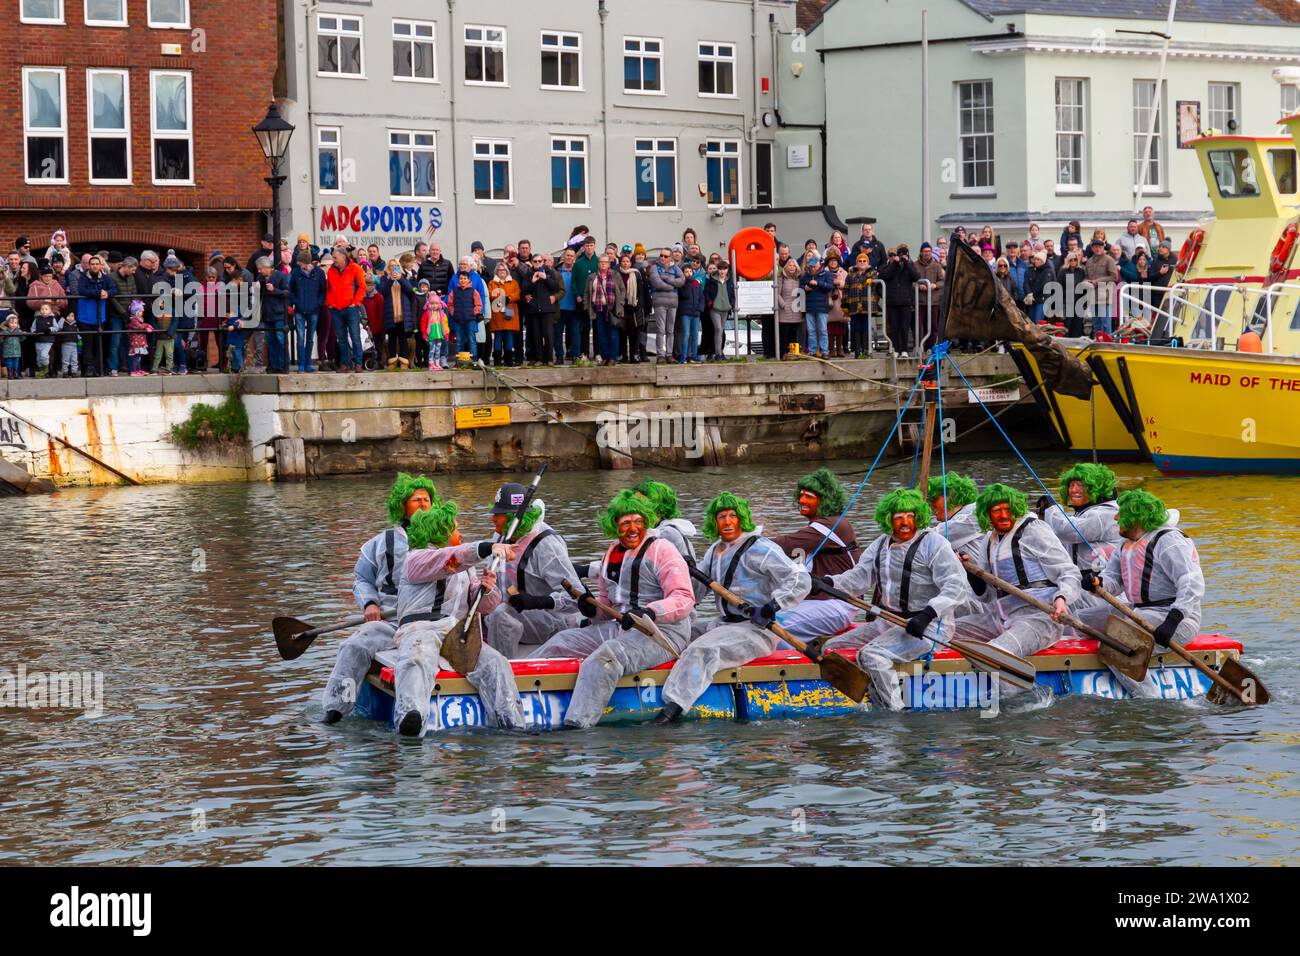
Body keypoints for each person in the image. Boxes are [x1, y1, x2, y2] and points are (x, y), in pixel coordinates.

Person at [530, 491, 695, 729]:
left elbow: (683, 598)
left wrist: (650, 611)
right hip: (621, 627)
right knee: (560, 641)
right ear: (614, 526)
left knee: (607, 657)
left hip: (663, 633)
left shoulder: (663, 550)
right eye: (625, 523)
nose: (632, 528)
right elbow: (608, 608)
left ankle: (577, 725)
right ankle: (520, 688)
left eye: (638, 522)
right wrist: (591, 609)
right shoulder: (611, 553)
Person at [653, 492, 811, 723]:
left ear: (742, 519)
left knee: (701, 650)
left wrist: (772, 605)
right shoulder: (714, 551)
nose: (727, 522)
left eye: (732, 516)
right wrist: (682, 570)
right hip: (723, 625)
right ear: (714, 522)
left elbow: (799, 579)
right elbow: (694, 593)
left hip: (757, 629)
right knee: (679, 633)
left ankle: (673, 708)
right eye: (721, 517)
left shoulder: (762, 548)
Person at [821, 488, 972, 711]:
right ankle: (862, 696)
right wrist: (828, 582)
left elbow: (956, 586)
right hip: (888, 621)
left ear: (918, 518)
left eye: (910, 516)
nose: (905, 522)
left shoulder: (935, 544)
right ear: (888, 519)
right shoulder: (881, 544)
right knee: (831, 648)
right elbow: (860, 577)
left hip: (928, 626)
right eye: (899, 517)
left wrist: (927, 614)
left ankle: (894, 711)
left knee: (871, 655)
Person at [390, 503, 526, 736]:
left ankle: (510, 720)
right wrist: (486, 547)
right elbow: (447, 560)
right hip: (421, 628)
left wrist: (486, 589)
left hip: (458, 632)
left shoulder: (466, 568)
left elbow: (483, 606)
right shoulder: (416, 559)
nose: (459, 533)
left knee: (496, 662)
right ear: (439, 532)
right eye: (454, 528)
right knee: (417, 658)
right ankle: (410, 716)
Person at [320, 474, 437, 723]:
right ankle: (335, 708)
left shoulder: (445, 540)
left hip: (427, 621)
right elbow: (362, 578)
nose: (424, 504)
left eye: (428, 499)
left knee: (414, 657)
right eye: (417, 499)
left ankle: (411, 716)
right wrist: (370, 603)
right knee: (353, 646)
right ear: (402, 505)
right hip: (389, 619)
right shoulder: (382, 542)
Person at [1084, 489, 1203, 698]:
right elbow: (1113, 580)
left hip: (1176, 617)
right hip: (1139, 613)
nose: (1115, 517)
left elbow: (1191, 582)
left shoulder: (1169, 540)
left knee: (1115, 645)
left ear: (1136, 516)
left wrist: (1173, 620)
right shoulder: (1125, 545)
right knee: (1081, 622)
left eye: (1121, 513)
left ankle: (1150, 698)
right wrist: (1097, 582)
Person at [957, 484, 1081, 664]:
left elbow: (1068, 572)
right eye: (996, 510)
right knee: (939, 630)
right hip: (1000, 618)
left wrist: (1062, 598)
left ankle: (1014, 691)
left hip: (1040, 619)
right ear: (987, 515)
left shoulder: (1034, 530)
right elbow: (987, 596)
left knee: (995, 653)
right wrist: (971, 572)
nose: (1003, 515)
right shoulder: (988, 541)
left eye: (1008, 509)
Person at [486, 482, 582, 658]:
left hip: (553, 621)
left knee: (501, 614)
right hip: (519, 614)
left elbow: (577, 597)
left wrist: (539, 601)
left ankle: (506, 670)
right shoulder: (500, 537)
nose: (493, 518)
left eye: (498, 514)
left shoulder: (547, 546)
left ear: (515, 517)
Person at [769, 467, 860, 644]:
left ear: (824, 501)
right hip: (817, 602)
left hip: (839, 603)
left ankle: (787, 667)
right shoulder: (819, 527)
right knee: (759, 619)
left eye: (809, 497)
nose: (801, 500)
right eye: (801, 495)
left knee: (773, 628)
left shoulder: (832, 525)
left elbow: (785, 544)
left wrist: (748, 540)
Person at [73, 254, 118, 376]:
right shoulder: (83, 277)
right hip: (85, 317)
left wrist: (107, 293)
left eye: (97, 264)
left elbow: (114, 289)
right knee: (87, 344)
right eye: (92, 264)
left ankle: (98, 369)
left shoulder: (105, 278)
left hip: (100, 317)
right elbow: (82, 290)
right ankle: (87, 369)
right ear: (89, 265)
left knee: (99, 345)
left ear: (100, 265)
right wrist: (98, 293)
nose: (94, 266)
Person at [325, 249, 365, 373]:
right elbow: (328, 288)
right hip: (336, 309)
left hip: (351, 308)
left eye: (335, 257)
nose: (333, 260)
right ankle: (345, 364)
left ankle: (358, 364)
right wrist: (330, 303)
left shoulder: (355, 268)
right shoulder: (331, 270)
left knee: (355, 336)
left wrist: (356, 302)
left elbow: (362, 287)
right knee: (341, 338)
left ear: (343, 257)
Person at [926, 473, 982, 560]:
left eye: (934, 499)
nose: (931, 505)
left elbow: (929, 538)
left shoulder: (972, 515)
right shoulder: (961, 516)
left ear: (951, 495)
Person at [585, 253, 625, 367]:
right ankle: (605, 357)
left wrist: (620, 303)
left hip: (611, 309)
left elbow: (622, 290)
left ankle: (612, 358)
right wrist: (586, 306)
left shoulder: (615, 275)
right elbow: (587, 293)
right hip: (598, 309)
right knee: (601, 335)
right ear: (598, 264)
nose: (603, 264)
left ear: (609, 264)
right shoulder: (592, 277)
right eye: (601, 262)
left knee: (612, 334)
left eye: (605, 262)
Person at [288, 252, 325, 373]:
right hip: (299, 310)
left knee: (310, 338)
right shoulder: (296, 273)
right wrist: (295, 301)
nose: (299, 265)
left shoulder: (319, 273)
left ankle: (308, 364)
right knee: (300, 338)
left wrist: (318, 303)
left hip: (314, 310)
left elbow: (323, 291)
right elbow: (291, 289)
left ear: (307, 262)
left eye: (301, 263)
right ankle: (301, 365)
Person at [880, 244, 919, 355]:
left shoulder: (909, 266)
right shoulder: (891, 266)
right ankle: (896, 349)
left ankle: (905, 350)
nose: (902, 257)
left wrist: (906, 264)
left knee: (904, 327)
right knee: (894, 327)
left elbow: (916, 276)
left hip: (906, 302)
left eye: (904, 255)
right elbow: (884, 276)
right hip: (892, 301)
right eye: (900, 255)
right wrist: (895, 264)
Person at [521, 252, 559, 366]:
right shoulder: (528, 273)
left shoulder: (549, 272)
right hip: (533, 309)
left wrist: (545, 278)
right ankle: (539, 358)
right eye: (535, 261)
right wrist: (532, 281)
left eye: (539, 261)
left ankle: (549, 359)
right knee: (536, 335)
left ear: (543, 262)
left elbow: (555, 287)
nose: (537, 263)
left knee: (548, 335)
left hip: (547, 309)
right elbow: (524, 290)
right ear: (532, 263)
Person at [647, 249, 684, 361]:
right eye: (661, 255)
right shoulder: (654, 267)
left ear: (670, 258)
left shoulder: (675, 268)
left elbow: (682, 280)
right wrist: (671, 286)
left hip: (673, 303)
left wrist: (667, 279)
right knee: (661, 330)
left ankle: (669, 354)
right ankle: (660, 355)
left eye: (665, 256)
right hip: (659, 302)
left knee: (670, 330)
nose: (662, 258)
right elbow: (657, 283)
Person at [256, 257, 290, 373]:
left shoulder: (281, 276)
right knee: (270, 342)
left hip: (279, 313)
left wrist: (274, 289)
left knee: (281, 340)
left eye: (261, 269)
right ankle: (274, 365)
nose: (259, 271)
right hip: (267, 314)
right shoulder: (260, 278)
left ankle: (283, 365)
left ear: (268, 267)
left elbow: (287, 293)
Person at [488, 261, 521, 367]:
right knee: (498, 337)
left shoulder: (513, 282)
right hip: (498, 314)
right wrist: (504, 298)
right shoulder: (492, 283)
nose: (502, 272)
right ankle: (497, 360)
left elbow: (517, 293)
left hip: (510, 312)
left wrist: (509, 298)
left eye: (503, 270)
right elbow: (491, 294)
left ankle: (509, 360)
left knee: (509, 337)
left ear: (507, 271)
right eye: (499, 270)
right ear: (496, 272)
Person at [1083, 238, 1119, 337]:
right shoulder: (1089, 261)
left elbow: (1114, 276)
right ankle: (1097, 340)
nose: (1097, 249)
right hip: (1093, 296)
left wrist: (1096, 281)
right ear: (1092, 248)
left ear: (1103, 248)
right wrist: (1085, 281)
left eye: (1100, 247)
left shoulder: (1109, 260)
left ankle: (1107, 343)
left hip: (1105, 296)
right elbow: (1086, 276)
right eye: (1095, 247)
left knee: (1105, 323)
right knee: (1095, 323)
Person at [446, 271, 482, 365]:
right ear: (458, 280)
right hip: (458, 320)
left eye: (464, 278)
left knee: (471, 340)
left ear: (468, 280)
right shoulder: (454, 291)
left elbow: (478, 304)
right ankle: (459, 361)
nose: (462, 280)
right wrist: (453, 313)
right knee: (459, 341)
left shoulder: (473, 291)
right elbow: (450, 304)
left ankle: (473, 360)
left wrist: (474, 313)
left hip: (470, 320)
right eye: (461, 278)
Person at [801, 254, 833, 358]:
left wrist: (817, 283)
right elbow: (800, 287)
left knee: (823, 330)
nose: (812, 267)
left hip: (822, 307)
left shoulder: (827, 274)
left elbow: (829, 287)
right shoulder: (806, 275)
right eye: (811, 266)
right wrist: (805, 288)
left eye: (814, 265)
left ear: (819, 264)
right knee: (811, 331)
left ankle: (824, 351)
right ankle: (812, 351)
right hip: (809, 307)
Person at [615, 253, 646, 363]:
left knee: (634, 333)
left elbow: (641, 291)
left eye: (627, 261)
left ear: (630, 263)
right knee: (622, 333)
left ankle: (634, 355)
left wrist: (640, 305)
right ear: (620, 263)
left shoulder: (636, 274)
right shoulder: (616, 274)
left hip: (634, 307)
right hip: (622, 307)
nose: (625, 263)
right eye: (623, 261)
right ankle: (624, 356)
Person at [703, 260, 734, 362]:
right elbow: (706, 292)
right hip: (714, 308)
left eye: (724, 269)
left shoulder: (729, 280)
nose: (722, 271)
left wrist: (731, 304)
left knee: (721, 331)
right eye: (720, 269)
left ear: (727, 270)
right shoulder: (712, 279)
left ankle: (719, 352)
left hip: (725, 309)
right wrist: (709, 302)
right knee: (718, 329)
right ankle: (718, 353)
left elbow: (732, 294)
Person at [915, 242, 943, 349]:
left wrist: (935, 285)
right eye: (925, 251)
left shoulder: (936, 266)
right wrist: (918, 286)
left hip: (933, 301)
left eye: (929, 251)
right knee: (919, 326)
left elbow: (942, 281)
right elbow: (911, 281)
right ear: (921, 252)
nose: (927, 253)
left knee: (933, 326)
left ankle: (930, 347)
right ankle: (919, 347)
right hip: (920, 301)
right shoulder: (915, 265)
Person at [676, 261, 705, 364]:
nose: (688, 273)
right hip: (685, 313)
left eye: (690, 271)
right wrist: (687, 282)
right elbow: (684, 295)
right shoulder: (682, 284)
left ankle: (694, 355)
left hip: (695, 313)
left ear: (693, 272)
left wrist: (699, 309)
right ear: (683, 273)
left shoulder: (696, 284)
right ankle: (683, 356)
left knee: (695, 335)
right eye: (686, 272)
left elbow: (701, 297)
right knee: (686, 334)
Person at [776, 259, 804, 358]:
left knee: (794, 334)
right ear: (786, 267)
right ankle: (783, 354)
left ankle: (793, 354)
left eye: (794, 266)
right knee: (784, 335)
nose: (792, 267)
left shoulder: (799, 279)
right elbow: (777, 293)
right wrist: (783, 305)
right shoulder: (781, 278)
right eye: (790, 265)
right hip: (785, 311)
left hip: (796, 310)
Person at [123, 301, 151, 376]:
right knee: (135, 357)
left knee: (138, 357)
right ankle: (133, 370)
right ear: (136, 312)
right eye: (140, 311)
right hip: (135, 342)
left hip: (139, 342)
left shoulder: (140, 319)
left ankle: (138, 369)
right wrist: (147, 325)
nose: (142, 312)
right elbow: (139, 327)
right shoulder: (134, 320)